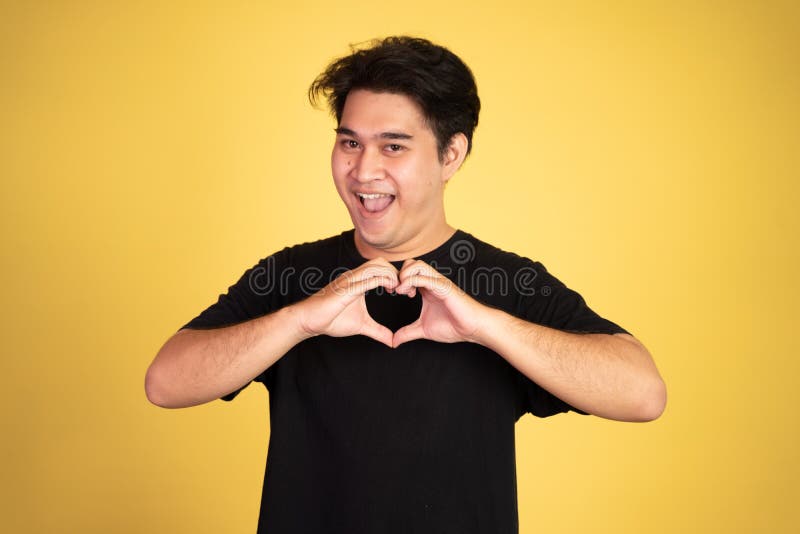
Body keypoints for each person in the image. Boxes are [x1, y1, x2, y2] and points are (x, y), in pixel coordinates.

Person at [145, 36, 666, 534]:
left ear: (451, 156)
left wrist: (486, 326)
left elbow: (642, 393)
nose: (363, 170)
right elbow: (165, 383)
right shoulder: (292, 276)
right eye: (350, 142)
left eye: (393, 146)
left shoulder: (505, 281)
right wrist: (299, 321)